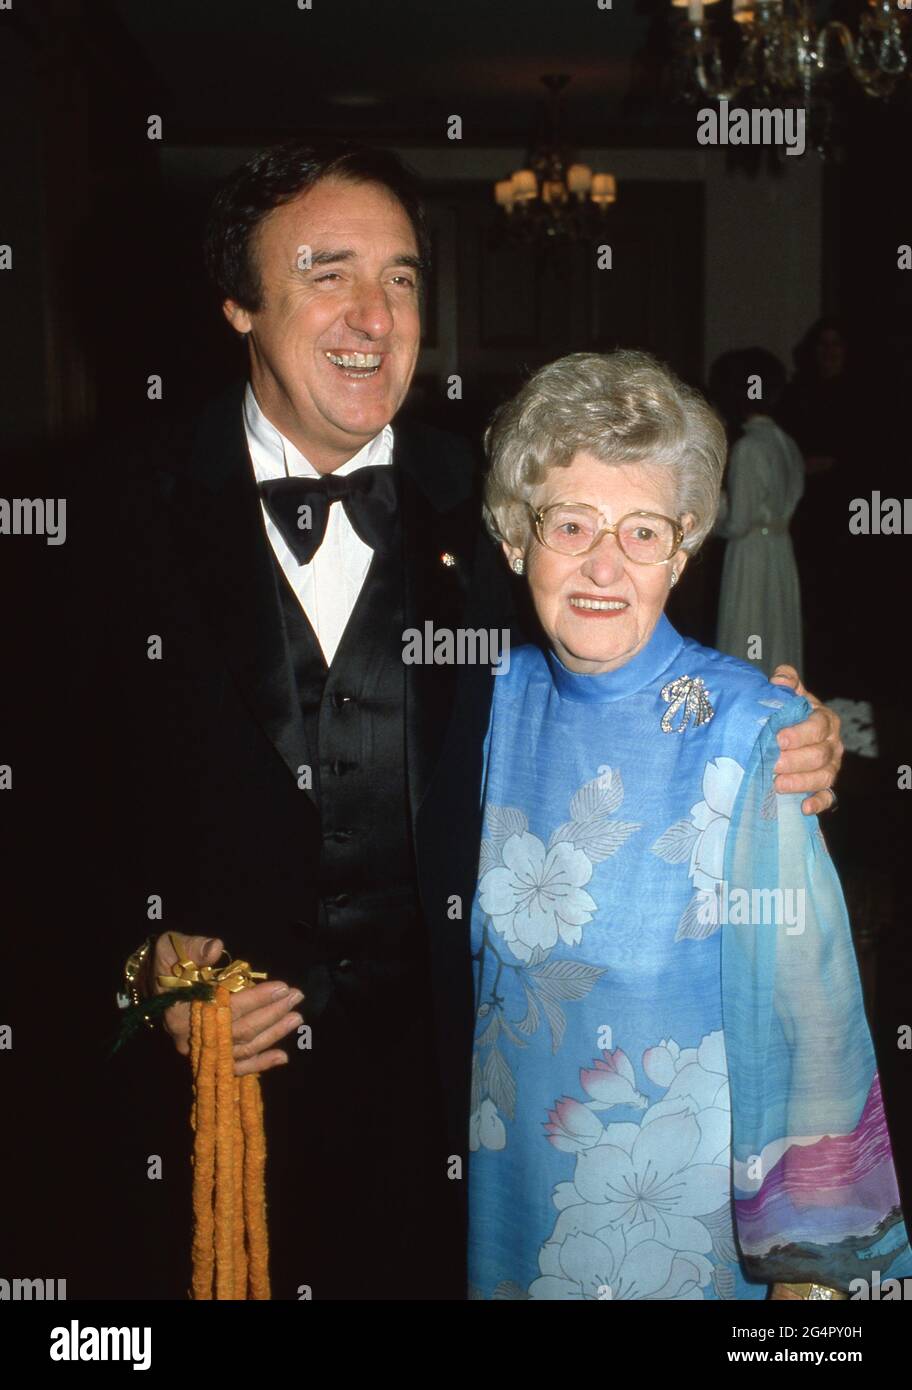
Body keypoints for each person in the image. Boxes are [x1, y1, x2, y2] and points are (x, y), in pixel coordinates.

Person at [101, 142, 842, 1301]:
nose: (373, 314)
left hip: (470, 1116)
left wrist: (774, 735)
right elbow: (47, 812)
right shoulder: (115, 521)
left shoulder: (502, 505)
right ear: (240, 298)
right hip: (225, 1122)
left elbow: (625, 678)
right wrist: (146, 972)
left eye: (400, 277)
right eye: (327, 271)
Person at [467, 350, 910, 1301]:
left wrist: (813, 1278)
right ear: (516, 539)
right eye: (570, 523)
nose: (601, 564)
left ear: (684, 548)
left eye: (641, 531)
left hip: (682, 1227)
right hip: (509, 1195)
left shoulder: (753, 732)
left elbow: (813, 1020)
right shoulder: (483, 709)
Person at [712, 348, 805, 675]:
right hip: (779, 549)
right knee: (775, 632)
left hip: (751, 553)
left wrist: (714, 508)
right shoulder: (786, 443)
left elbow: (738, 522)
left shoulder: (750, 447)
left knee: (748, 626)